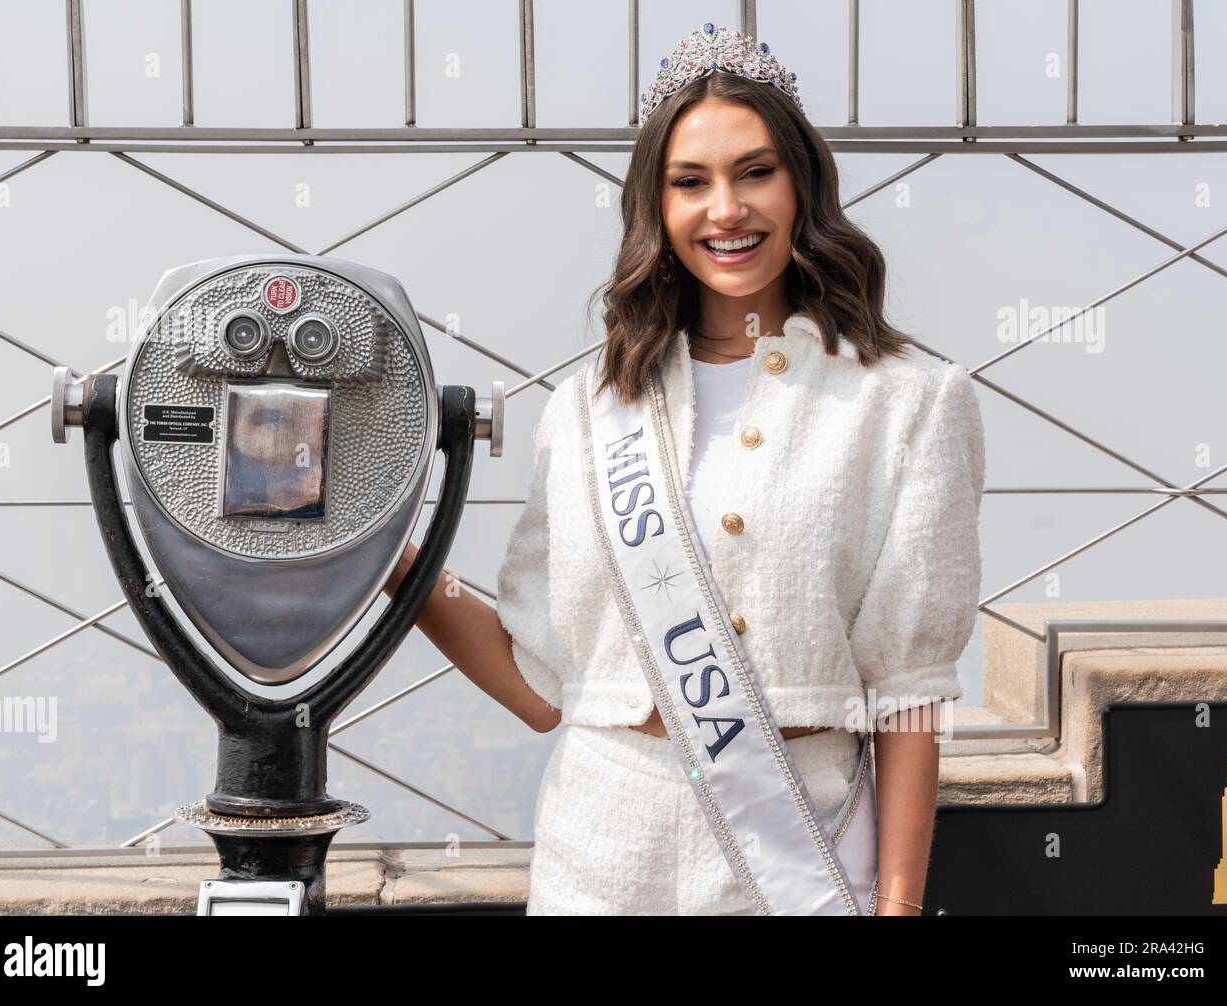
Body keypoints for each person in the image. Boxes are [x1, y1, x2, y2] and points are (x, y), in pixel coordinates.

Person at [384, 22, 985, 916]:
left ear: (802, 184)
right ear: (656, 209)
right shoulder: (590, 408)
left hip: (801, 855)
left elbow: (908, 694)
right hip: (600, 854)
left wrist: (899, 910)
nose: (726, 209)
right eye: (690, 182)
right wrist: (385, 557)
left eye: (756, 172)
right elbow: (540, 681)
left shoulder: (908, 404)